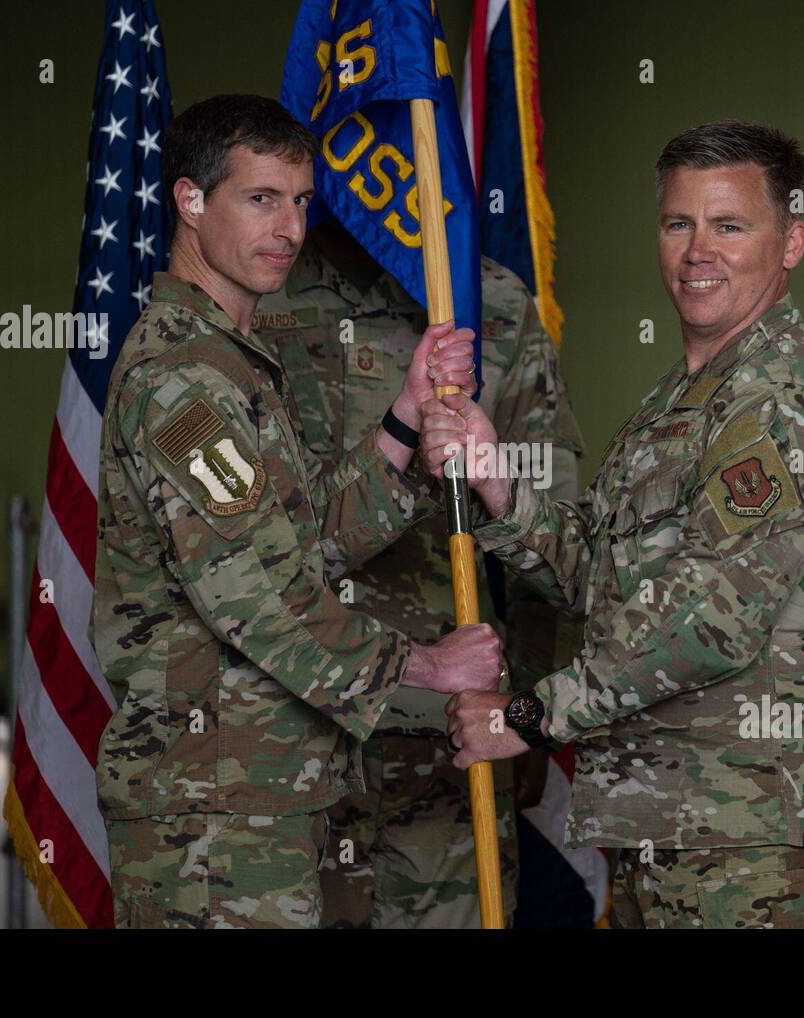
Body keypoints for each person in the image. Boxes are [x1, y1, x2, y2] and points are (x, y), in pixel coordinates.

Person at [424, 120, 804, 929]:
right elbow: (603, 582)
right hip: (668, 829)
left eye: (730, 225)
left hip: (753, 843)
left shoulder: (777, 404)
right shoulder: (685, 397)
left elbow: (705, 623)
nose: (698, 250)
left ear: (791, 242)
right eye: (679, 223)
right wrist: (500, 486)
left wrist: (526, 717)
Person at [91, 94, 501, 929]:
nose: (288, 226)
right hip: (207, 814)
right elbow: (260, 595)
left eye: (301, 201)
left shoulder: (233, 361)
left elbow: (303, 538)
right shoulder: (185, 377)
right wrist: (429, 668)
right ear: (191, 202)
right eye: (260, 198)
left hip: (252, 796)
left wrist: (404, 418)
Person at [251, 219, 585, 927]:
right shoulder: (255, 285)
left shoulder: (482, 299)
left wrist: (533, 708)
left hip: (448, 742)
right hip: (290, 736)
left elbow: (552, 520)